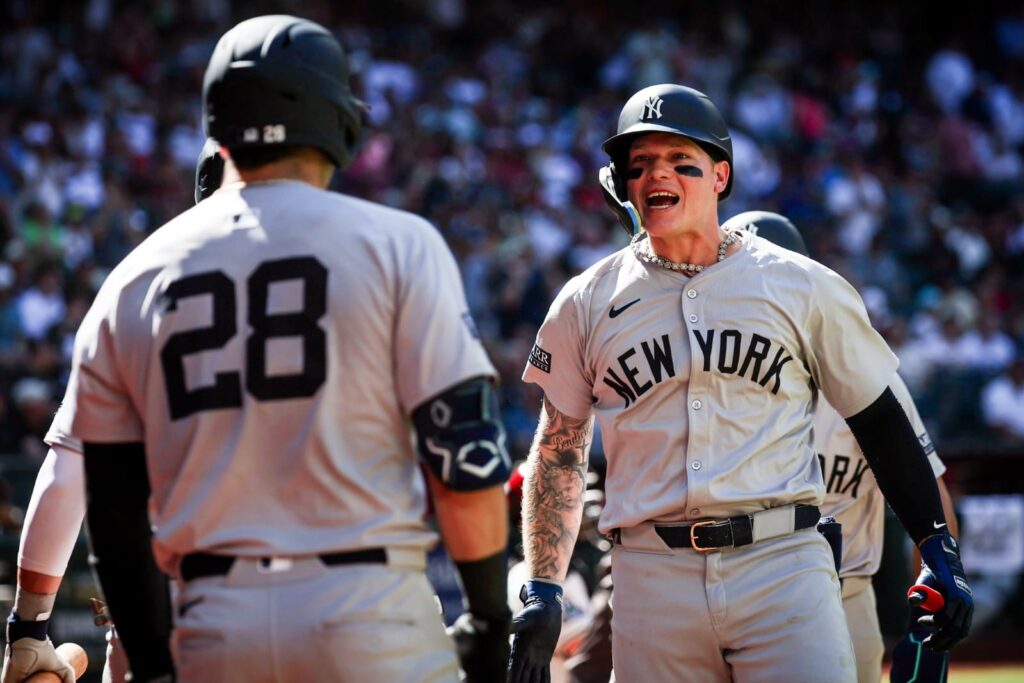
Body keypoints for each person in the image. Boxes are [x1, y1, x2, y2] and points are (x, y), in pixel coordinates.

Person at [57, 15, 511, 683]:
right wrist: (487, 616)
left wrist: (153, 665)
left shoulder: (131, 278)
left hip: (209, 622)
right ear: (338, 116)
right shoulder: (398, 243)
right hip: (370, 613)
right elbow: (464, 458)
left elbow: (116, 514)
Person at [509, 83, 973, 683]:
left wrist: (936, 547)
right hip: (650, 577)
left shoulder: (801, 284)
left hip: (783, 563)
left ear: (720, 176)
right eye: (641, 163)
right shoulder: (585, 301)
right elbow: (558, 450)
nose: (659, 174)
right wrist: (543, 587)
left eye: (682, 161)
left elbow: (879, 419)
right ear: (624, 182)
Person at [2, 140, 227, 683]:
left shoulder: (139, 274)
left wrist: (29, 629)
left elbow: (69, 469)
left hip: (162, 611)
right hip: (323, 604)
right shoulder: (359, 256)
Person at [726, 211, 960, 683]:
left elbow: (932, 496)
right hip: (731, 593)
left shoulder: (869, 376)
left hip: (844, 592)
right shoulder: (711, 378)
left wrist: (930, 613)